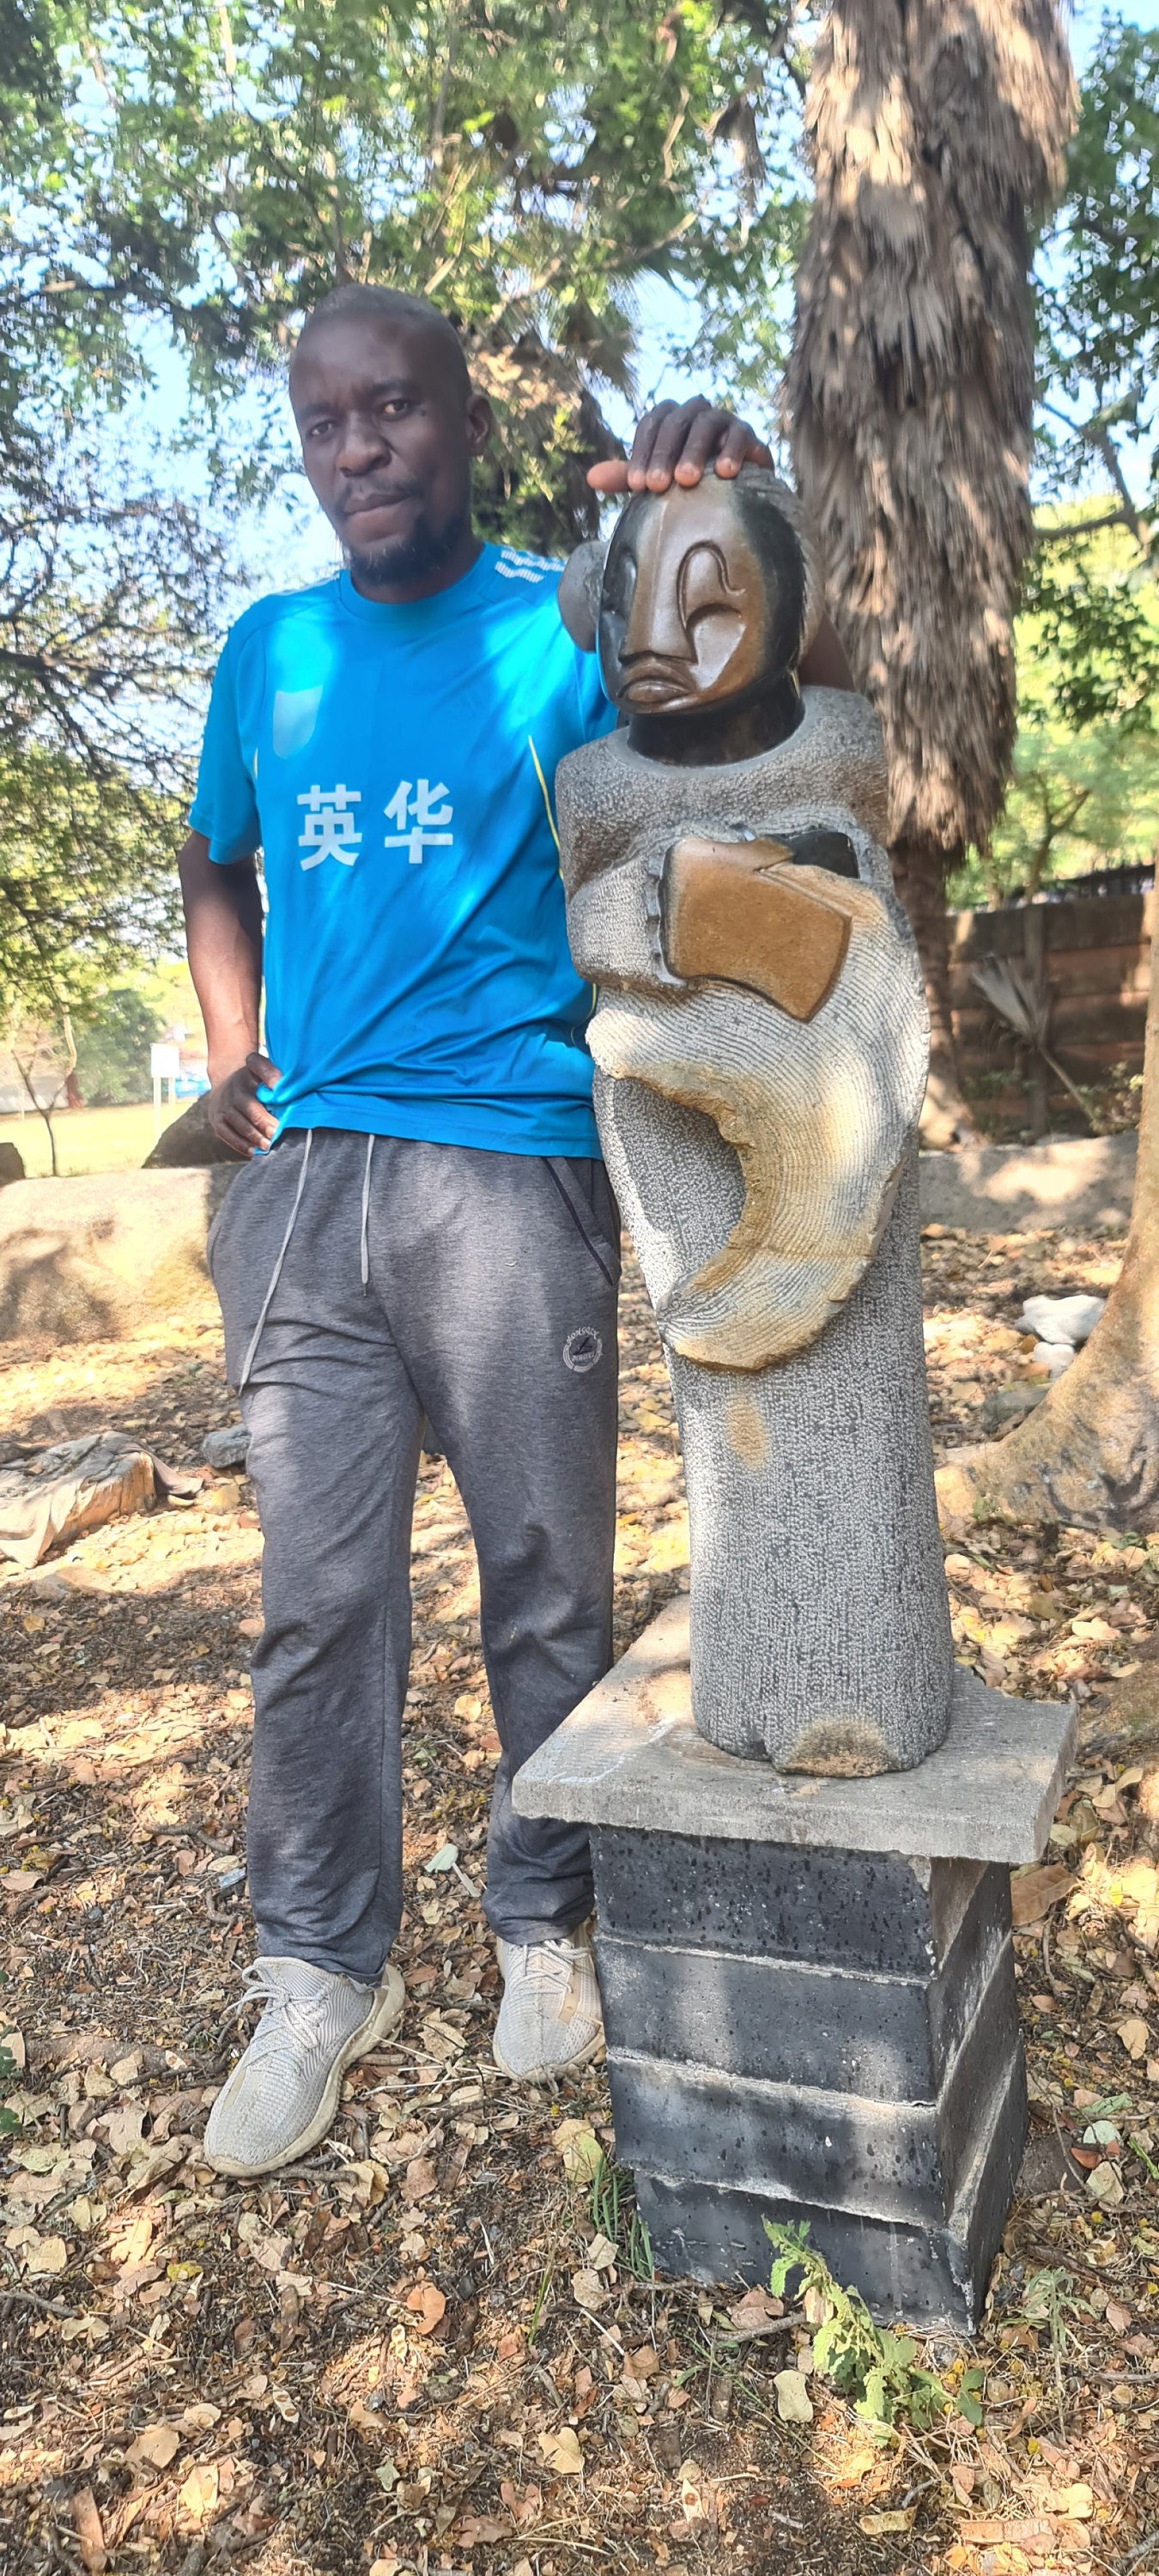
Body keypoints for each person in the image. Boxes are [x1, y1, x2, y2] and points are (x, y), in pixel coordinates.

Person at [179, 282, 853, 2178]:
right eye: (326, 422)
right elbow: (213, 854)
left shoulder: (556, 627)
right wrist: (229, 1051)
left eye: (395, 409)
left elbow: (742, 665)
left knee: (544, 1575)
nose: (361, 448)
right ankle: (320, 1967)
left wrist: (724, 486)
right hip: (306, 1189)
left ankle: (542, 1913)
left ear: (466, 425)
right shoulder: (270, 652)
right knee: (316, 1600)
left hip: (510, 1171)